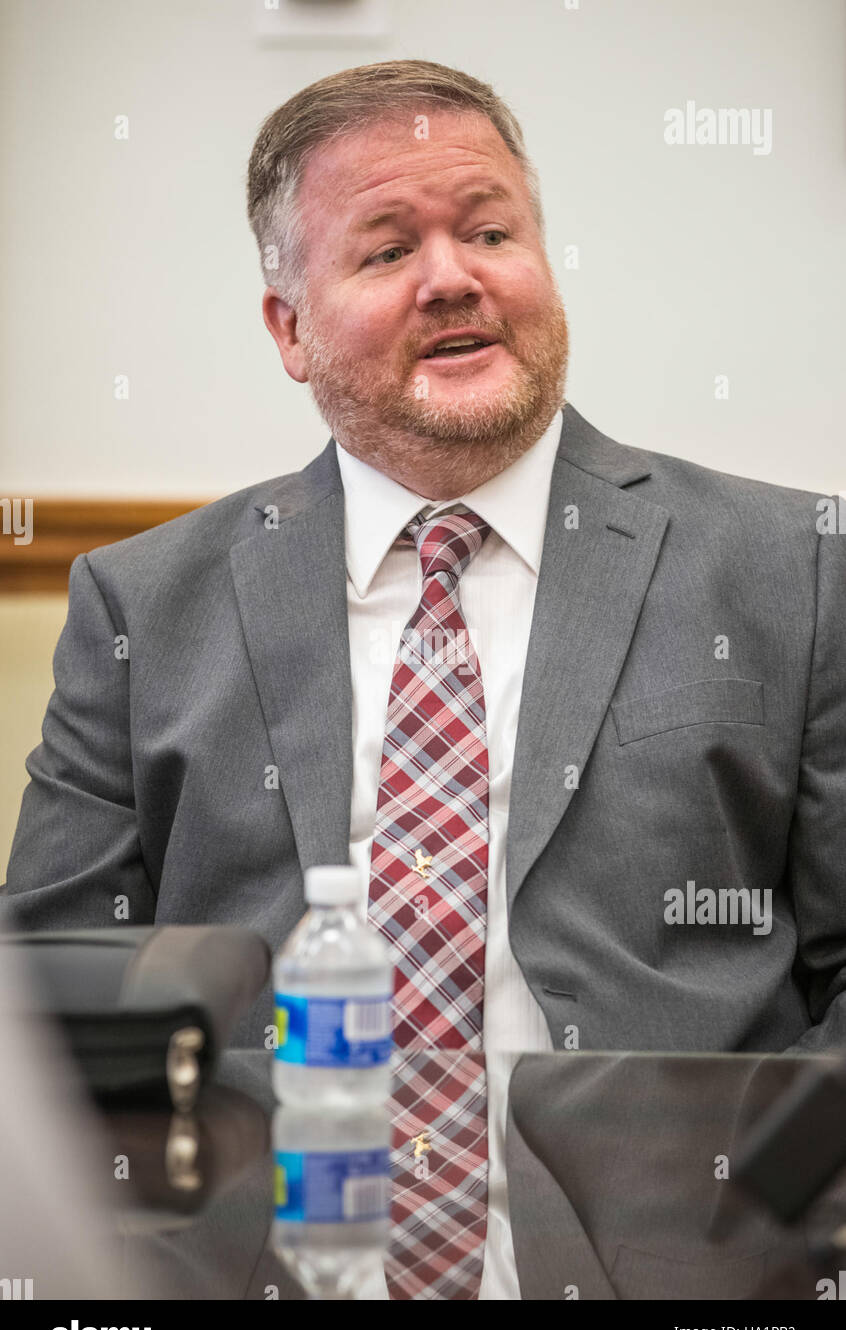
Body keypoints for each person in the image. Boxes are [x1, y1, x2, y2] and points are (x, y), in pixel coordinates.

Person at [4, 59, 845, 1058]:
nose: (454, 277)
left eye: (491, 233)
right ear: (291, 329)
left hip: (677, 1199)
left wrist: (755, 1193)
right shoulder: (141, 608)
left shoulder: (794, 571)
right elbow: (49, 992)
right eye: (388, 250)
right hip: (271, 1194)